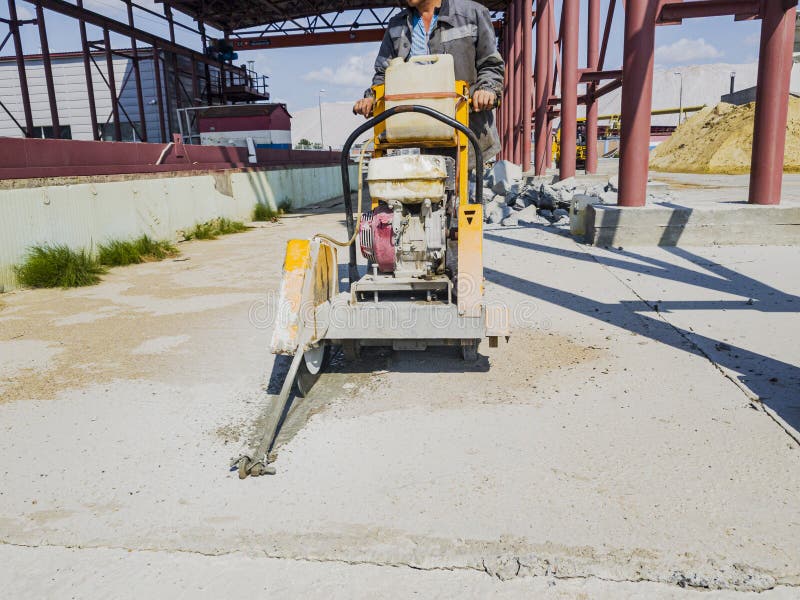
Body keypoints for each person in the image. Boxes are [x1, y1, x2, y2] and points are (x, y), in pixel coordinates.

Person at [353, 0, 504, 162]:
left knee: (467, 184)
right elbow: (383, 73)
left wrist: (487, 89)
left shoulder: (473, 13)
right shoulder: (397, 25)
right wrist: (371, 97)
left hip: (468, 132)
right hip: (420, 134)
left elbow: (490, 64)